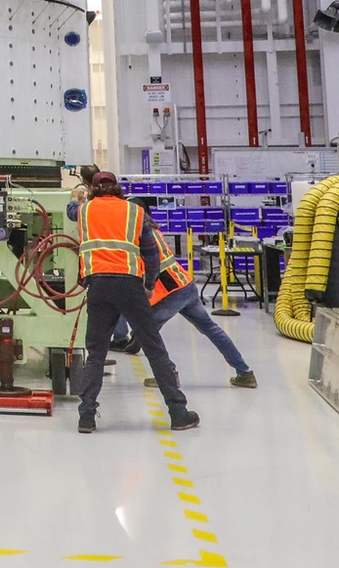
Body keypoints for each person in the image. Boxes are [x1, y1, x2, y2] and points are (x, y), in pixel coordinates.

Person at [67, 170, 200, 434]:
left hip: (98, 287)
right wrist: (150, 285)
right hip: (130, 286)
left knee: (96, 353)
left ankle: (86, 416)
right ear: (117, 187)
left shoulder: (84, 210)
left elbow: (71, 209)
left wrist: (75, 195)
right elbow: (151, 254)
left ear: (93, 189)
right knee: (154, 348)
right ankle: (178, 412)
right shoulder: (134, 212)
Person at [143, 222, 256, 388]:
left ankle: (168, 374)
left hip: (170, 291)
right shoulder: (153, 230)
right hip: (186, 284)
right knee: (210, 328)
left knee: (147, 331)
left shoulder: (138, 234)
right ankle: (245, 372)